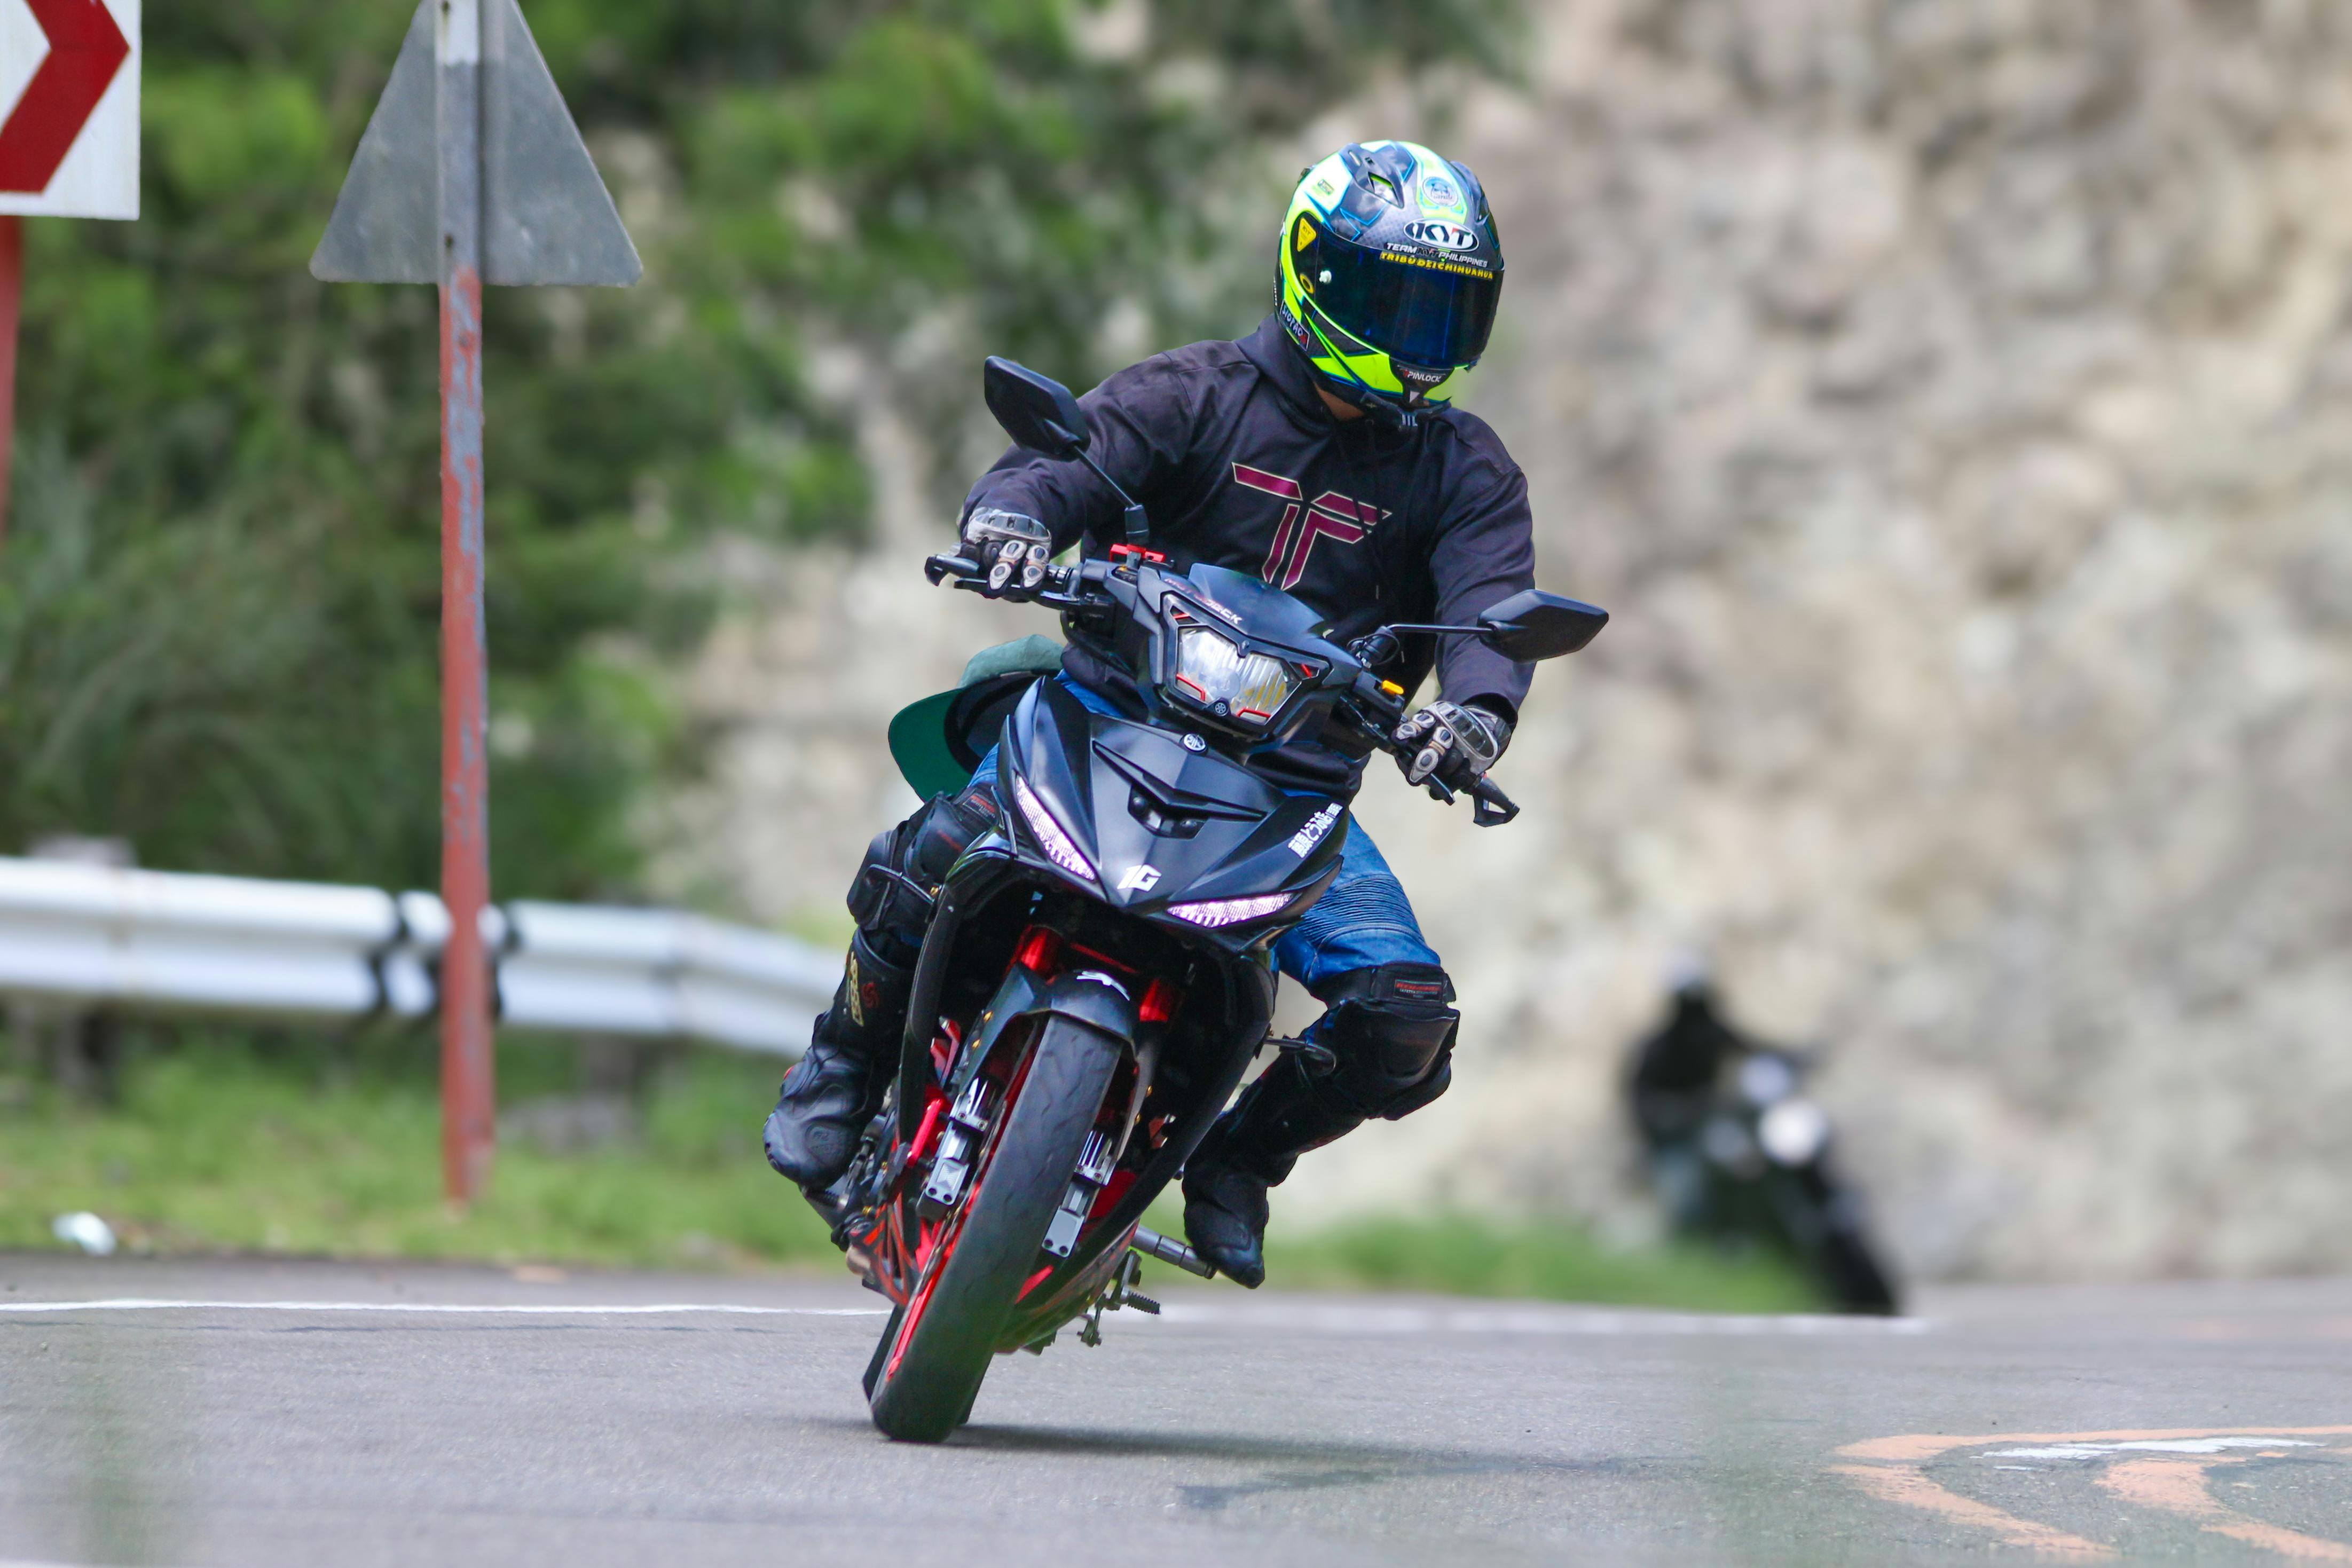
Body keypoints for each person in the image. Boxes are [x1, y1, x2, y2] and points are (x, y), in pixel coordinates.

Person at [765, 139, 1538, 1289]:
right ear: (1313, 271)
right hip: (1100, 722)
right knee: (925, 854)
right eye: (1395, 301)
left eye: (1445, 311)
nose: (1420, 338)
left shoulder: (1466, 470)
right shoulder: (1194, 390)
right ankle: (840, 1063)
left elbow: (1490, 609)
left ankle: (1238, 1160)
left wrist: (1473, 713)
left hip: (1292, 792)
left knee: (1404, 1015)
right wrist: (1012, 521)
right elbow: (1064, 463)